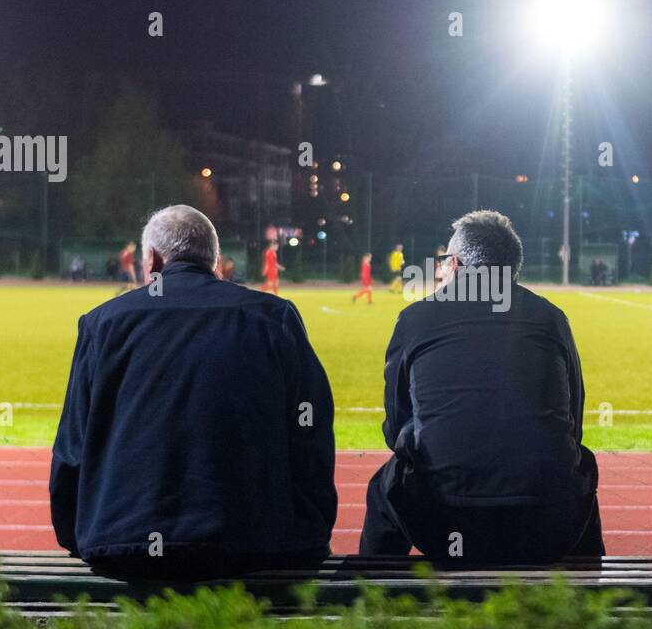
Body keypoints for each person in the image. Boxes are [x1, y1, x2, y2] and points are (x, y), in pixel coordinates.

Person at [50, 205, 336, 580]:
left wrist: (83, 537)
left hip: (122, 550)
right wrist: (307, 536)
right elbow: (311, 438)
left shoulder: (101, 324)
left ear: (150, 260)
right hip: (252, 550)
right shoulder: (273, 317)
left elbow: (71, 453)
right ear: (216, 263)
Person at [359, 210, 604, 564]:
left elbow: (396, 424)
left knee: (387, 482)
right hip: (548, 523)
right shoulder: (551, 318)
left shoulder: (415, 318)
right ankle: (587, 604)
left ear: (456, 264)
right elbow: (573, 422)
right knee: (576, 472)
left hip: (445, 519)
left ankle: (371, 604)